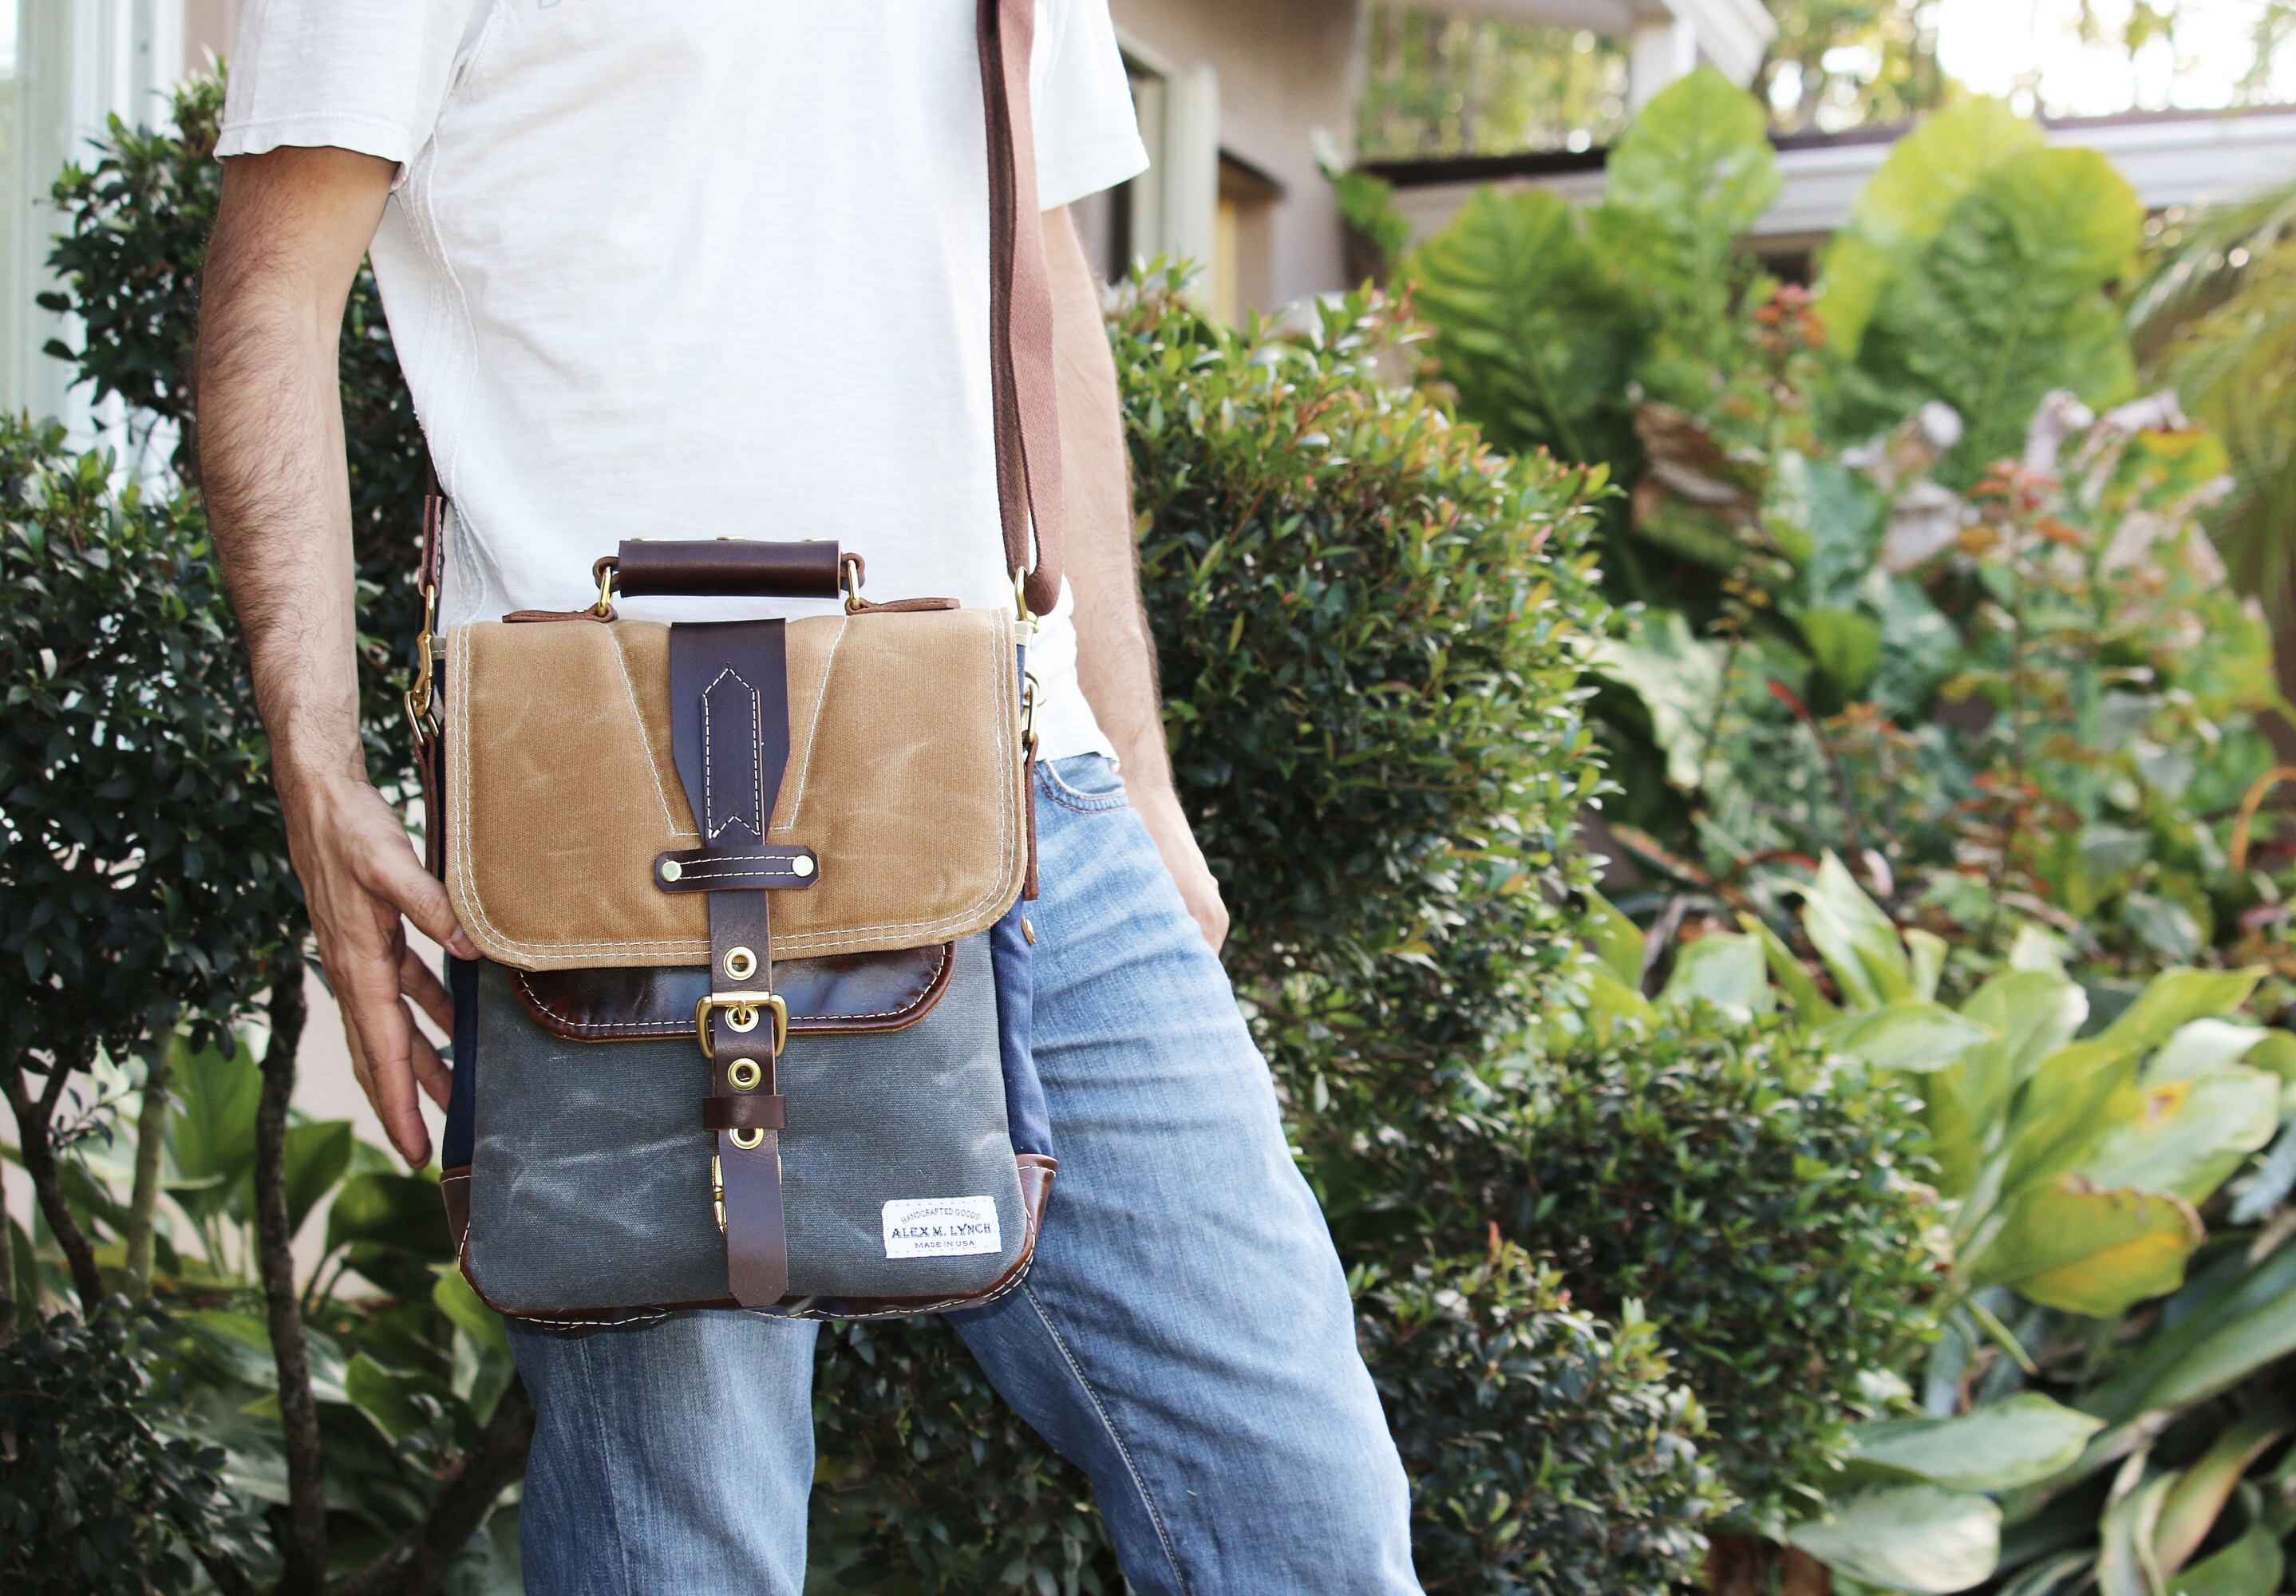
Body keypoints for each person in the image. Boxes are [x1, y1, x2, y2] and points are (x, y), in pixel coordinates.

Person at [193, 2, 1421, 1590]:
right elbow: (274, 277)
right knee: (680, 1552)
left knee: (1305, 1517)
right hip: (621, 829)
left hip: (1038, 804)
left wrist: (1141, 772)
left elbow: (1040, 270)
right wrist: (322, 765)